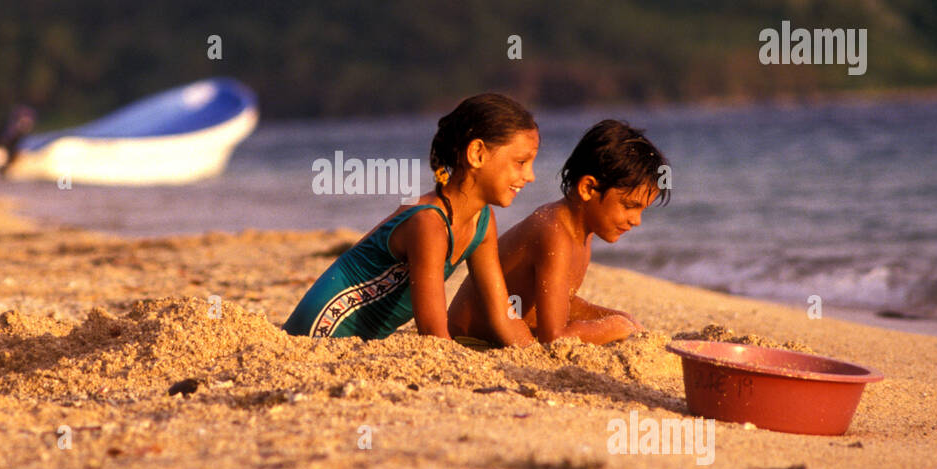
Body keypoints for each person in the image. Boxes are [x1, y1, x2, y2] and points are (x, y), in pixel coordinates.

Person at [284, 93, 539, 343]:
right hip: (323, 332)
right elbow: (433, 335)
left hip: (361, 342)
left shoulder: (482, 220)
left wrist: (533, 356)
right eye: (520, 162)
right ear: (477, 154)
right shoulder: (429, 223)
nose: (530, 176)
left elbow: (502, 316)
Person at [448, 119, 669, 346]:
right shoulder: (554, 234)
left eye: (642, 209)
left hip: (498, 333)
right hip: (469, 340)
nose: (637, 220)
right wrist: (613, 327)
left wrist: (619, 318)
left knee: (622, 321)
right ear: (588, 188)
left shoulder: (580, 231)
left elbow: (563, 300)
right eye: (629, 206)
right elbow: (554, 337)